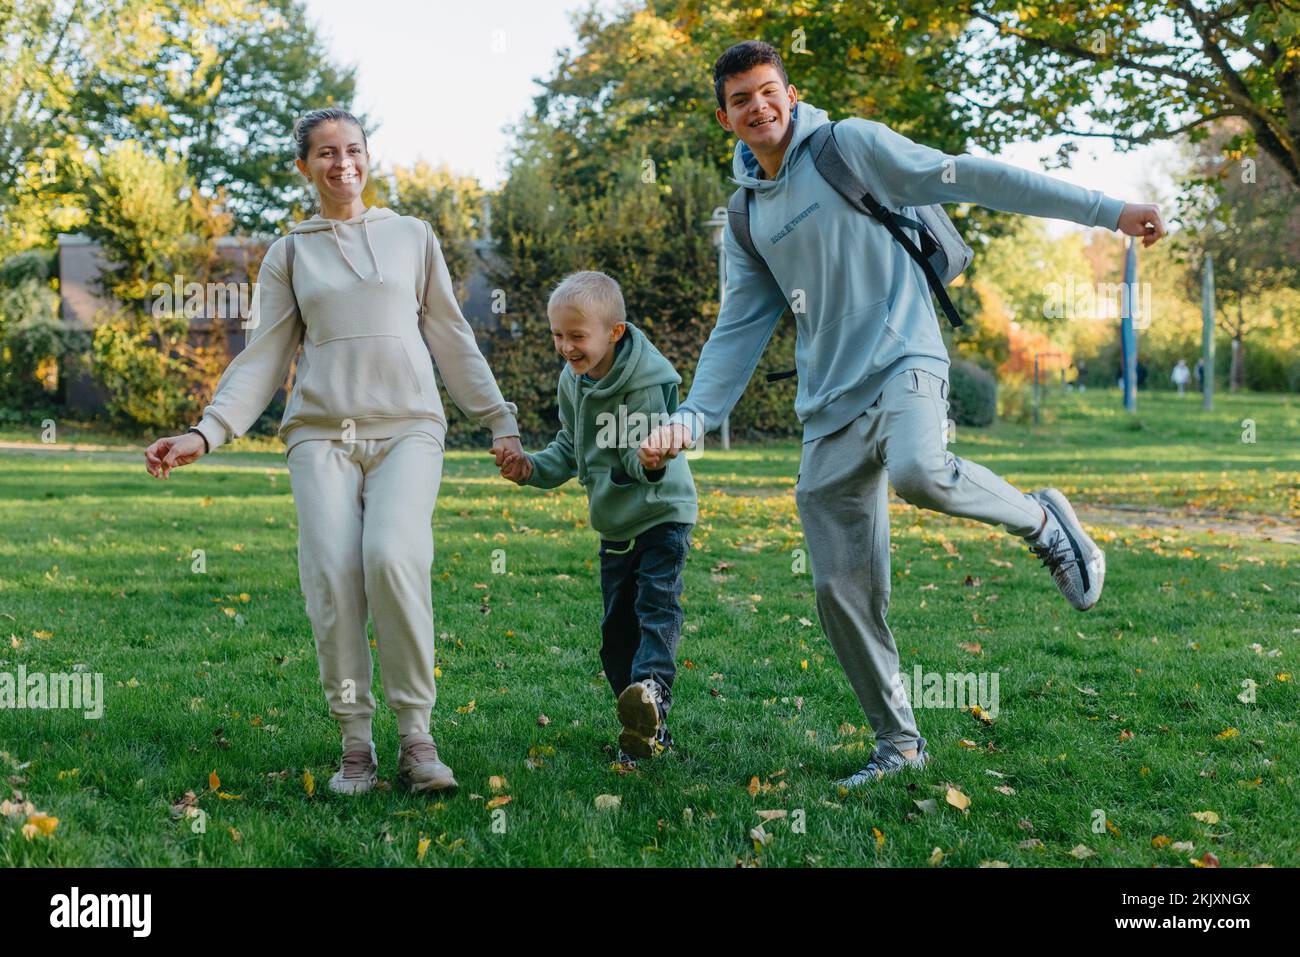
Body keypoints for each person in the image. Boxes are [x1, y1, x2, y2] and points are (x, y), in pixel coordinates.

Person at [637, 41, 1168, 789]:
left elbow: (975, 175)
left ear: (791, 91)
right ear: (724, 117)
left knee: (920, 469)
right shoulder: (746, 216)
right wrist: (692, 418)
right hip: (827, 403)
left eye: (767, 91)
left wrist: (1108, 210)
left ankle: (1045, 523)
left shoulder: (848, 145)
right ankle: (900, 744)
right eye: (740, 100)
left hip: (905, 357)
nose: (758, 107)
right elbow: (738, 329)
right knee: (838, 588)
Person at [144, 108, 524, 796]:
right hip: (320, 434)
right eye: (325, 153)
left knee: (392, 555)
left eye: (352, 150)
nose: (341, 163)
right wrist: (208, 430)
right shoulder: (290, 251)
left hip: (408, 426)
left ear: (368, 157)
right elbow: (264, 357)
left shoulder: (412, 236)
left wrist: (498, 417)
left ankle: (417, 737)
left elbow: (449, 332)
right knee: (332, 575)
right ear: (305, 167)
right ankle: (356, 744)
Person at [498, 272, 698, 766]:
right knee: (616, 638)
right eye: (557, 336)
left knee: (656, 609)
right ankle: (646, 725)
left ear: (614, 332)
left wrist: (650, 459)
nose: (565, 347)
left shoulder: (645, 384)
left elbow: (636, 459)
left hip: (660, 514)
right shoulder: (575, 380)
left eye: (576, 336)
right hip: (614, 525)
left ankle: (653, 693)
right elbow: (572, 448)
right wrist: (531, 469)